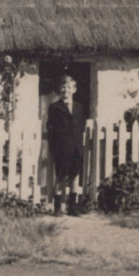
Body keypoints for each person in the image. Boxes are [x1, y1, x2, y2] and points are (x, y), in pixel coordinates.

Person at [46, 76, 83, 216]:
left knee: (74, 176)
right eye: (63, 87)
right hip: (62, 148)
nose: (66, 90)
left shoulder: (79, 108)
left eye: (69, 87)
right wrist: (54, 147)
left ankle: (72, 208)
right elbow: (50, 128)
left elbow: (81, 127)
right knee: (60, 177)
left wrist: (80, 145)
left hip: (76, 147)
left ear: (74, 89)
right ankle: (57, 208)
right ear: (59, 90)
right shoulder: (55, 107)